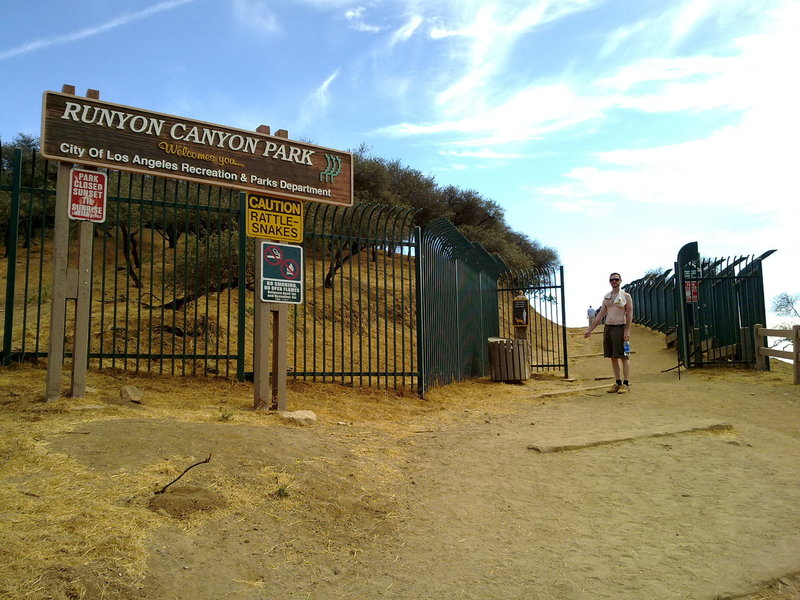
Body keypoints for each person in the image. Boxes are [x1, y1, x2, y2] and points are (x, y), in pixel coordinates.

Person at [584, 272, 633, 393]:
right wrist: (590, 330)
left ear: (620, 281)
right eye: (612, 280)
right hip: (609, 328)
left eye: (616, 279)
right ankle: (618, 382)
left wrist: (627, 330)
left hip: (620, 327)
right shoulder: (607, 297)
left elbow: (630, 314)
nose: (614, 282)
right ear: (609, 282)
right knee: (612, 357)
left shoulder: (626, 296)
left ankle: (626, 383)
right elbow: (600, 315)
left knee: (624, 356)